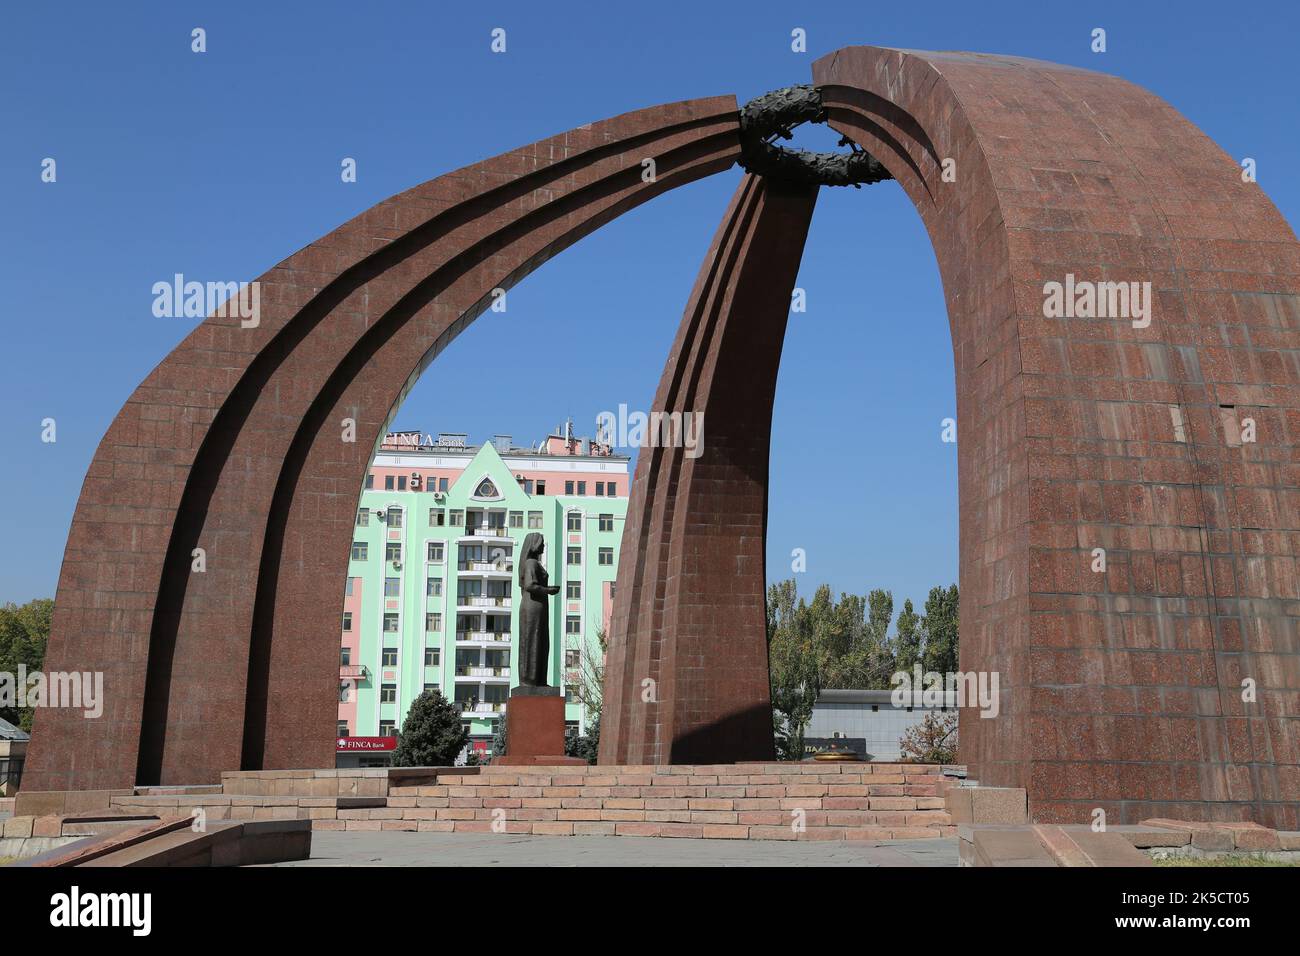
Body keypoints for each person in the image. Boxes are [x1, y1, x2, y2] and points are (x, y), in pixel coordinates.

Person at [516, 532, 560, 686]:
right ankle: (530, 680)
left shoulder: (533, 563)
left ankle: (539, 680)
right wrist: (549, 590)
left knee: (539, 642)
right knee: (533, 641)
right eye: (541, 542)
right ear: (534, 544)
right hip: (533, 608)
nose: (543, 545)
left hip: (537, 608)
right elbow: (529, 585)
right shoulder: (531, 563)